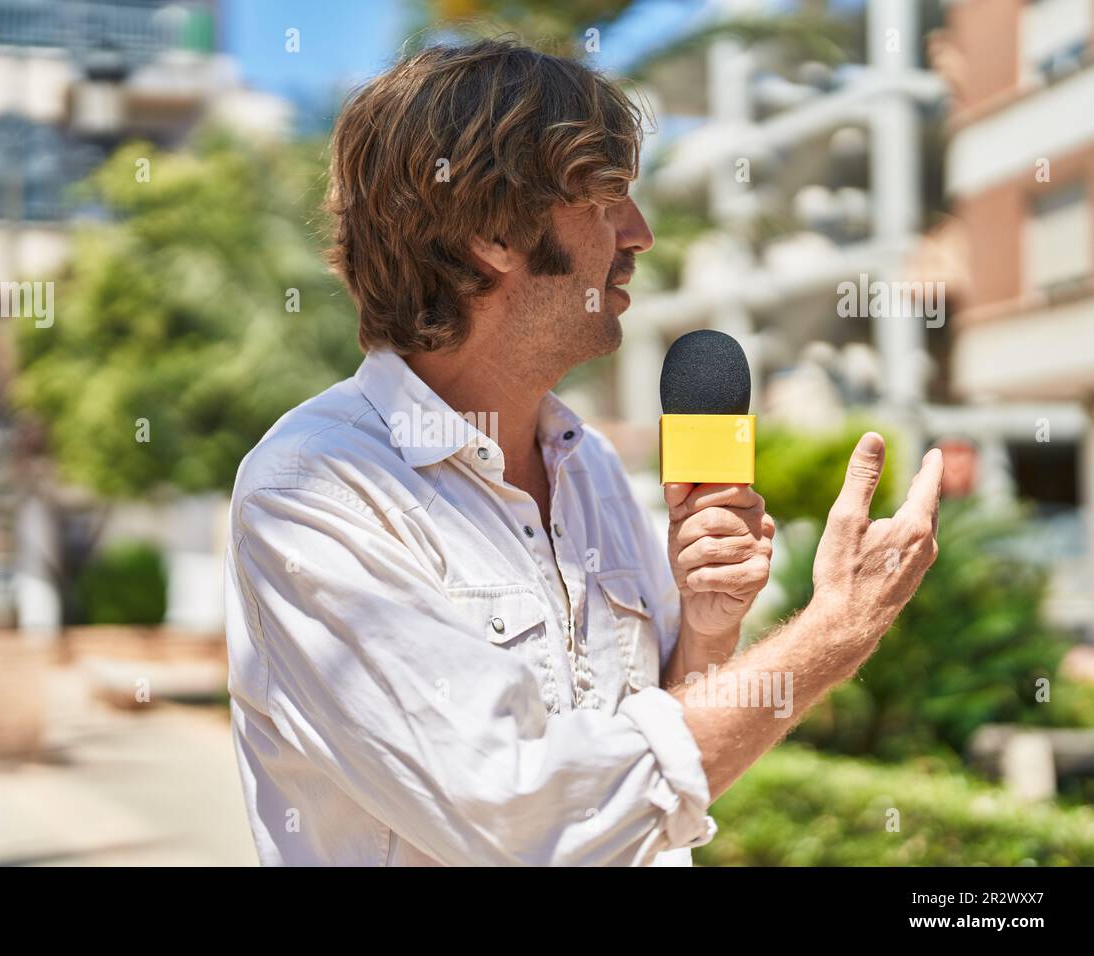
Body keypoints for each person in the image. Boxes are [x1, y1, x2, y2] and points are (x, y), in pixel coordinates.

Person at [223, 38, 942, 866]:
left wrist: (706, 634)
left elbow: (654, 767)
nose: (637, 233)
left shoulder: (589, 463)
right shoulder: (317, 490)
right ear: (491, 230)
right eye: (605, 202)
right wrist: (836, 632)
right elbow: (523, 815)